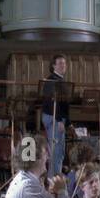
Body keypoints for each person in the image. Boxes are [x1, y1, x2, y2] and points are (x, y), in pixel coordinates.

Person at [41, 53, 71, 181]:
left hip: (58, 118)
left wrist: (68, 122)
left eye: (64, 63)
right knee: (56, 153)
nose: (63, 65)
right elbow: (54, 102)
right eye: (60, 63)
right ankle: (54, 183)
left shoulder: (60, 80)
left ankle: (55, 180)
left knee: (58, 152)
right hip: (53, 117)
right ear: (53, 66)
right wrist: (59, 120)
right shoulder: (52, 80)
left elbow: (64, 103)